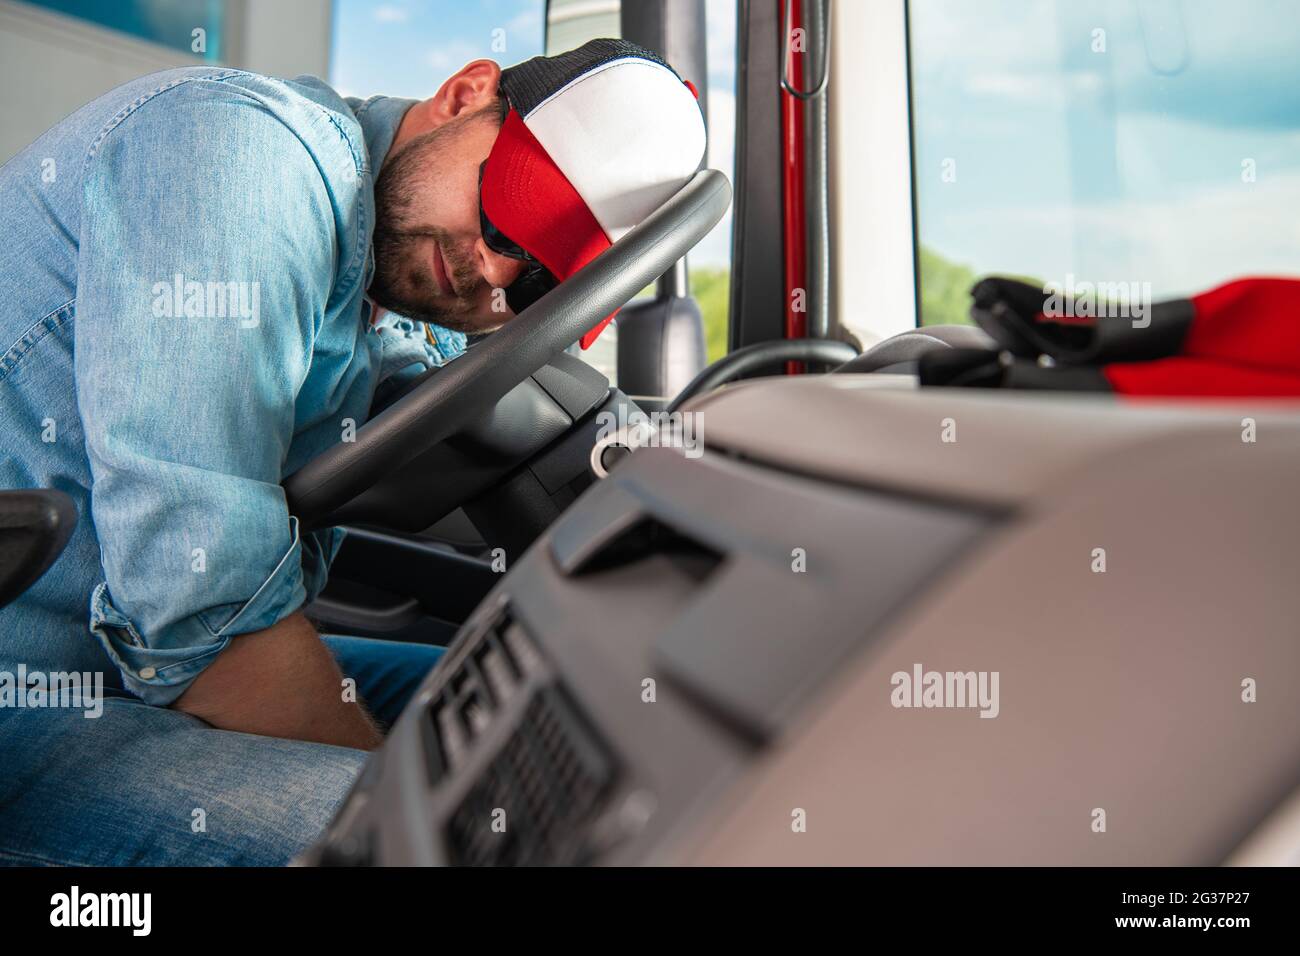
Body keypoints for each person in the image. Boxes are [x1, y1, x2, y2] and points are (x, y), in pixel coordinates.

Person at [0, 38, 706, 866]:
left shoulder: (386, 273)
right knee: (477, 848)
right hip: (41, 680)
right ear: (466, 94)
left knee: (559, 727)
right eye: (507, 214)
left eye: (538, 281)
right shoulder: (243, 158)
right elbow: (199, 615)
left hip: (131, 665)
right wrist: (409, 807)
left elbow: (461, 409)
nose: (490, 272)